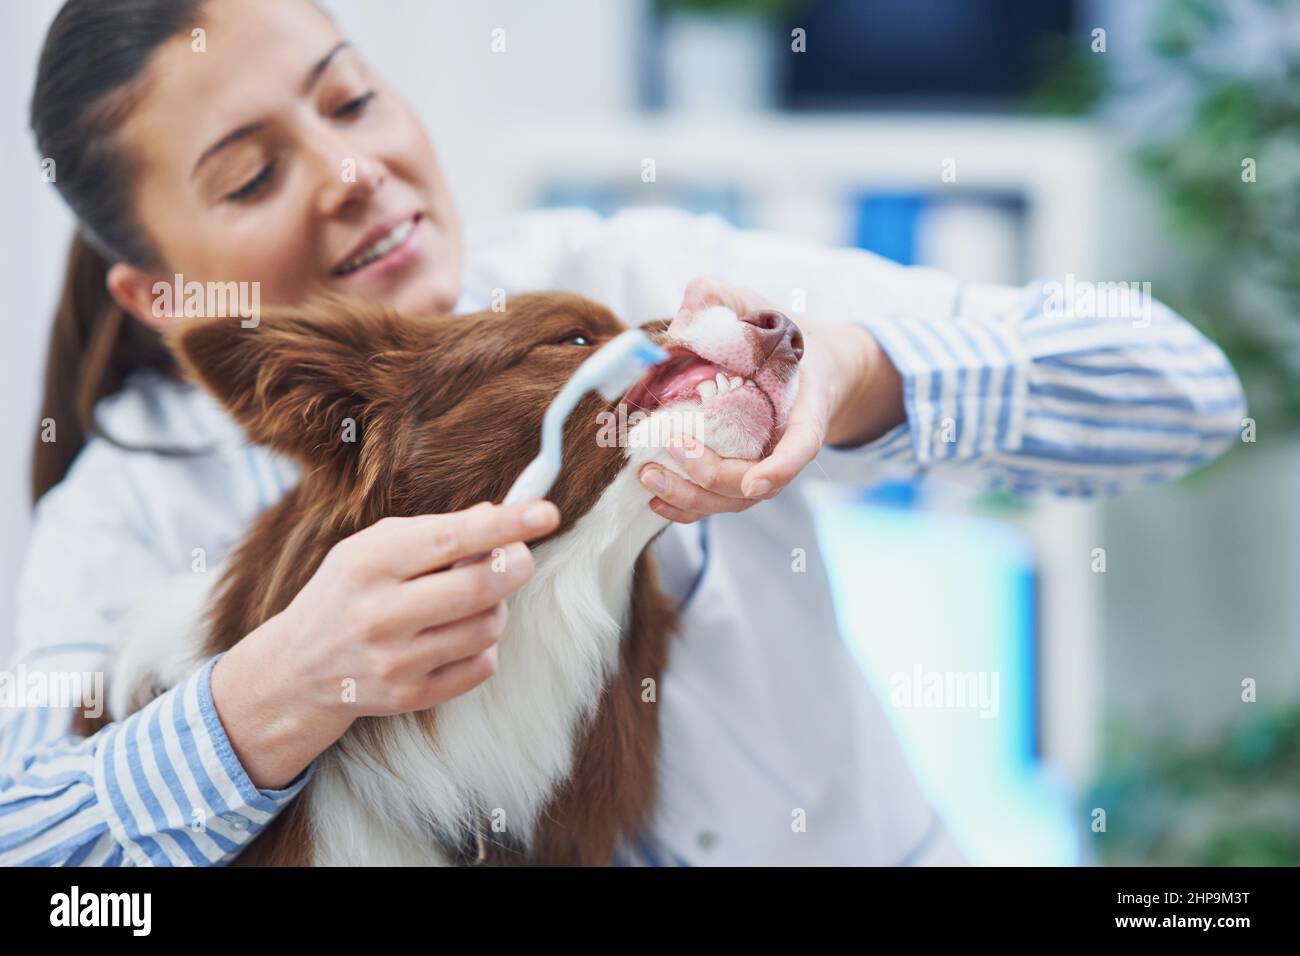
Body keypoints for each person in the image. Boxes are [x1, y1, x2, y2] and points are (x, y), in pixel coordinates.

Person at [0, 0, 1245, 867]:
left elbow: (1187, 389)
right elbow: (37, 852)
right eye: (252, 175)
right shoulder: (133, 509)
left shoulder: (648, 282)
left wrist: (862, 377)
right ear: (163, 298)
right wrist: (265, 697)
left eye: (353, 100)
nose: (351, 172)